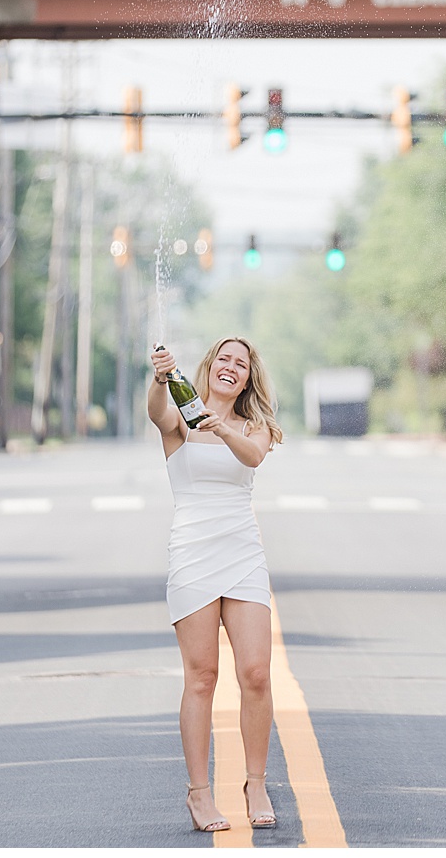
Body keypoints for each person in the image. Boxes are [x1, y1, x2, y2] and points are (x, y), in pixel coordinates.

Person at [148, 336, 285, 834]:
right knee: (202, 677)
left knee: (256, 674)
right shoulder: (180, 420)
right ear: (207, 367)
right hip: (193, 553)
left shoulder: (254, 426)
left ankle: (256, 783)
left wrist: (222, 426)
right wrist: (160, 378)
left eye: (241, 364)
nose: (231, 367)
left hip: (242, 552)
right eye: (224, 359)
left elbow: (252, 457)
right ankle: (199, 793)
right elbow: (156, 413)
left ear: (248, 378)